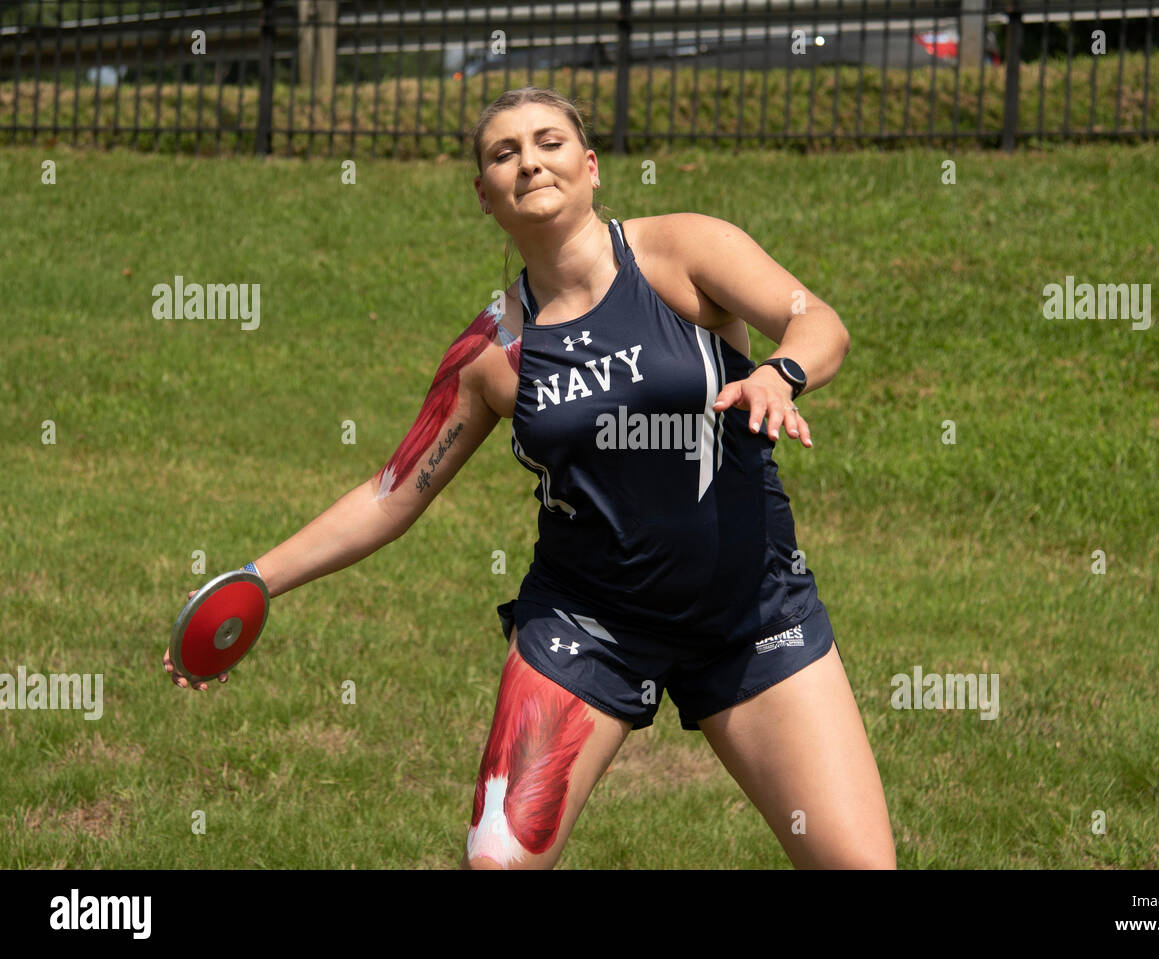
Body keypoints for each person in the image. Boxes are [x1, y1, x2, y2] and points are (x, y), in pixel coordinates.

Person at [164, 86, 895, 870]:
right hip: (588, 624)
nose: (529, 161)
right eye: (504, 152)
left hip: (750, 611)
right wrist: (253, 582)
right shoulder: (492, 352)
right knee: (498, 865)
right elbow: (390, 493)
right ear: (484, 195)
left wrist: (779, 375)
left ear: (589, 166)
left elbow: (818, 319)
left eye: (549, 142)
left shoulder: (682, 251)